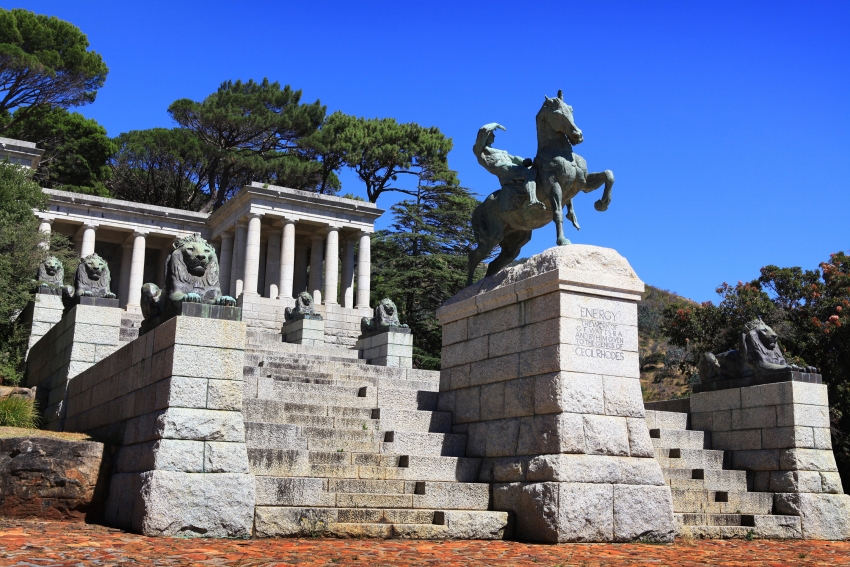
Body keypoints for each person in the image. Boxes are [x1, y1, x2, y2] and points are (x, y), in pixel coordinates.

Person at [473, 123, 545, 212]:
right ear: (486, 136)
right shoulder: (480, 150)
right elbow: (483, 130)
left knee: (537, 169)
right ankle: (533, 200)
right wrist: (496, 125)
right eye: (492, 134)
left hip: (512, 168)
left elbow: (514, 159)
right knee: (531, 173)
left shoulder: (500, 151)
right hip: (503, 170)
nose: (494, 136)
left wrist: (524, 161)